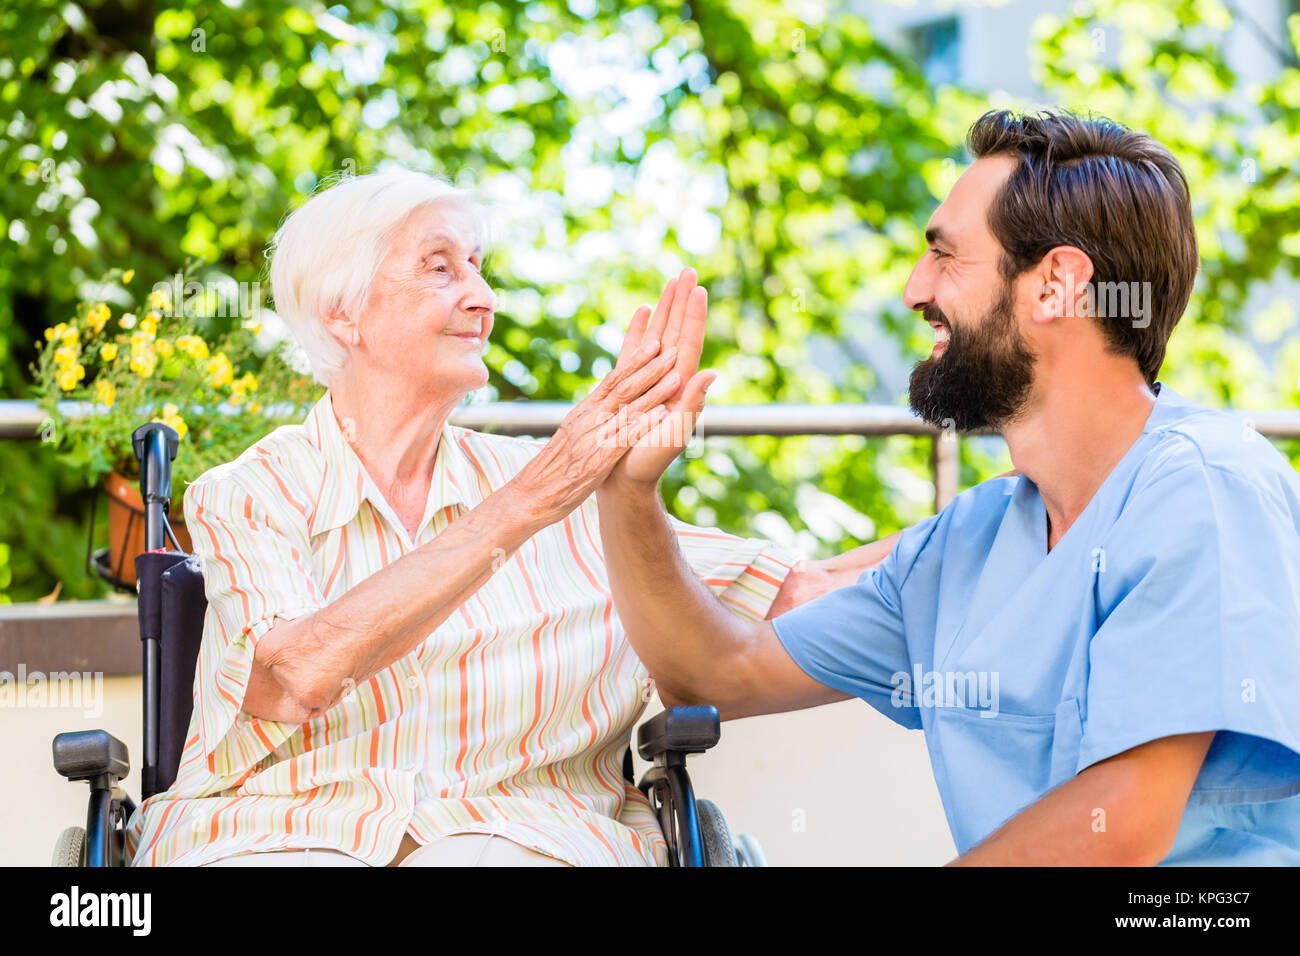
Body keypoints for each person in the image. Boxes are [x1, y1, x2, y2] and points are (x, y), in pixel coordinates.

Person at [125, 168, 890, 867]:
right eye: (440, 266)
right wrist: (532, 501)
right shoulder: (251, 493)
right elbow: (295, 676)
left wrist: (998, 513)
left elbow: (795, 590)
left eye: (479, 266)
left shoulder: (580, 492)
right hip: (280, 832)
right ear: (344, 313)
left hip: (521, 833)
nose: (482, 296)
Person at [596, 109, 1300, 865]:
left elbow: (1122, 822)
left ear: (1057, 282)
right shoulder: (969, 542)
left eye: (945, 256)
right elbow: (714, 672)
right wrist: (628, 492)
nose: (912, 289)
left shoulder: (1205, 485)